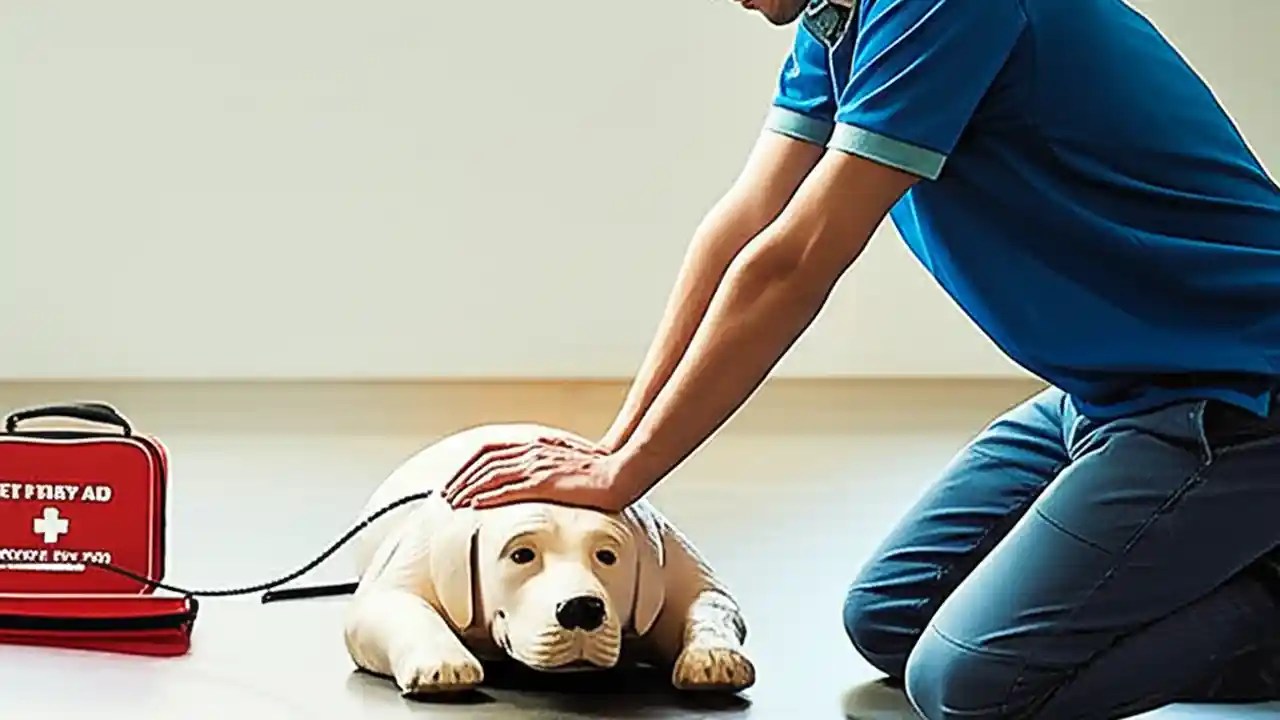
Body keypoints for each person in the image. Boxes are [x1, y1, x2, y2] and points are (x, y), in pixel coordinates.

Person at [442, 0, 1280, 716]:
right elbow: (745, 225)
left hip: (1233, 388)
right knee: (891, 616)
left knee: (971, 682)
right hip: (1102, 395)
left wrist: (628, 477)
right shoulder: (839, 22)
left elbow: (798, 259)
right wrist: (612, 447)